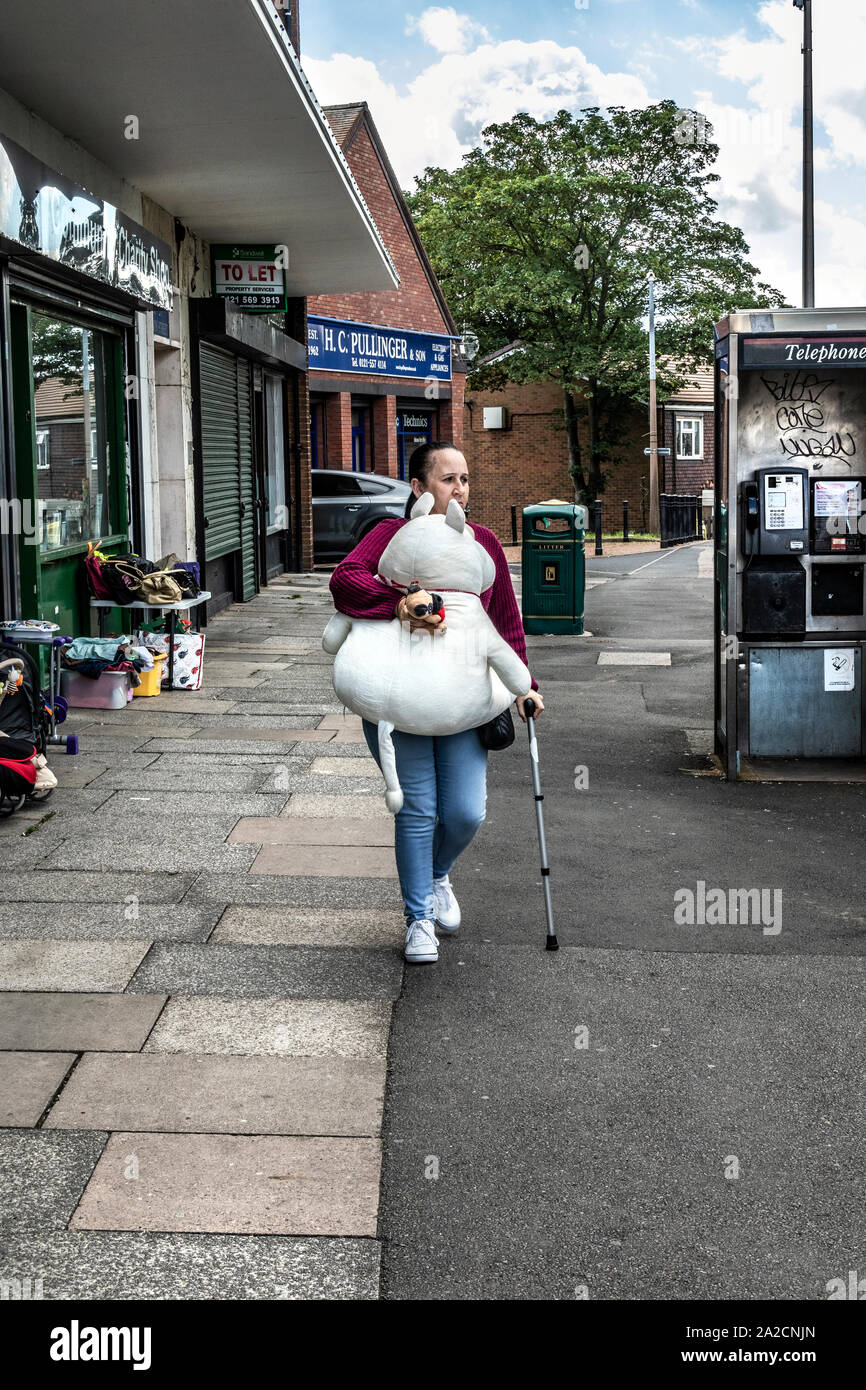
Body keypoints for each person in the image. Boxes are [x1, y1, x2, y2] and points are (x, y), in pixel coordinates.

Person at [328, 441, 545, 965]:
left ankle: (438, 875)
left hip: (464, 703)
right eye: (449, 479)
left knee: (466, 813)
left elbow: (505, 620)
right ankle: (418, 919)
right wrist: (399, 603)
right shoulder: (389, 535)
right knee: (418, 811)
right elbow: (346, 583)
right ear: (419, 488)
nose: (461, 489)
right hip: (399, 702)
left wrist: (524, 685)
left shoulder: (483, 543)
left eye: (466, 479)